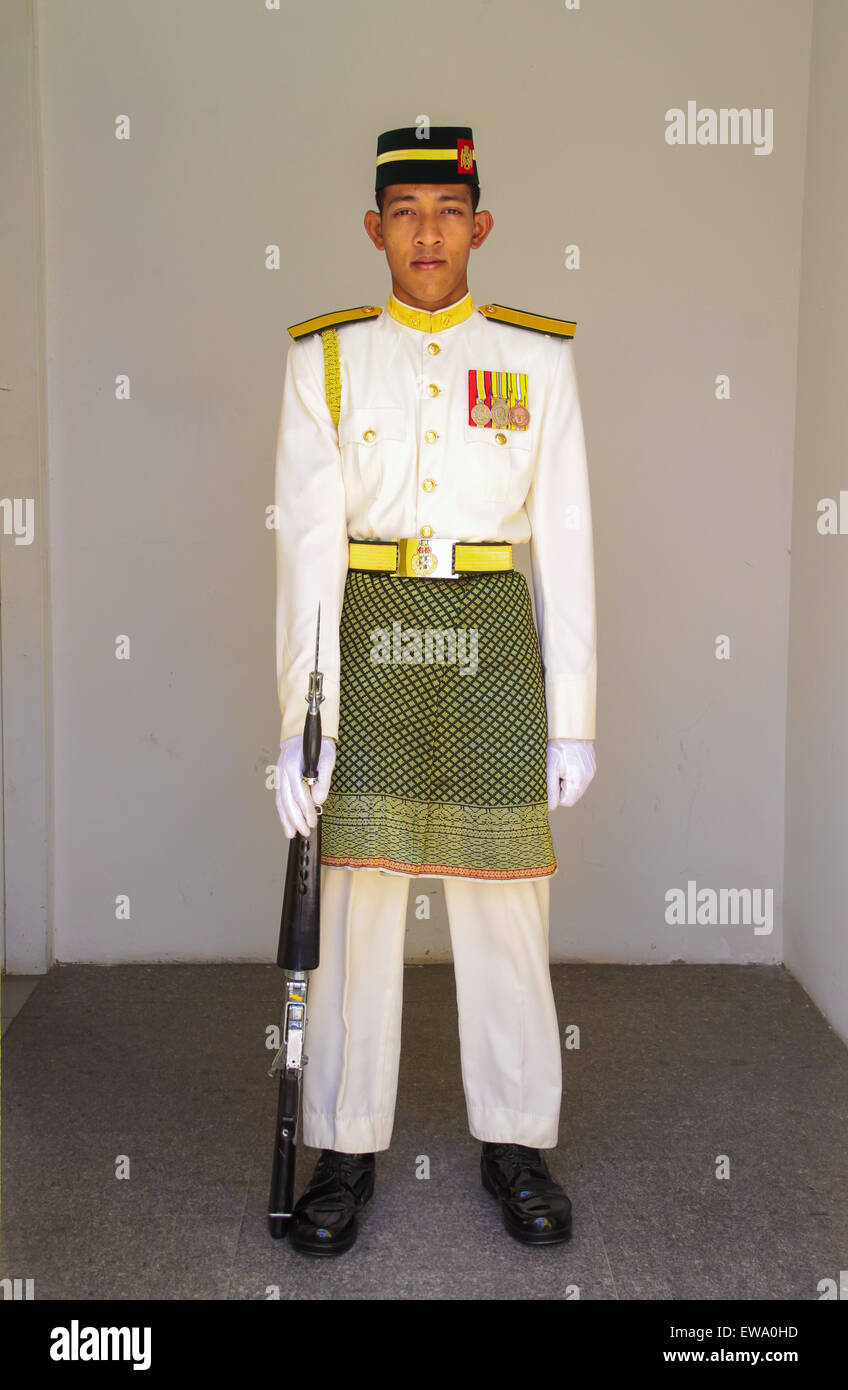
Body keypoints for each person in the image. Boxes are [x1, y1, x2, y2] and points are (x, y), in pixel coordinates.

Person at [273, 124, 597, 1255]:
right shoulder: (323, 357)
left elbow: (563, 540)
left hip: (491, 636)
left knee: (506, 900)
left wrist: (573, 716)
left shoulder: (538, 358)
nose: (425, 233)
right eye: (403, 212)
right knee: (355, 902)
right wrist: (294, 726)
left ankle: (516, 1141)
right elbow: (308, 554)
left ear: (480, 226)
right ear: (373, 228)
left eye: (446, 212)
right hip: (368, 631)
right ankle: (343, 1146)